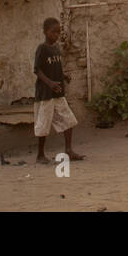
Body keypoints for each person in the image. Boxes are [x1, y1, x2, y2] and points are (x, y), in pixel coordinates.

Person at [33, 17, 84, 163]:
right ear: (45, 32)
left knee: (68, 120)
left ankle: (68, 150)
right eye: (52, 32)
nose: (55, 35)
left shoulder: (56, 49)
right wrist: (50, 83)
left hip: (58, 92)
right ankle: (40, 155)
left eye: (58, 32)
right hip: (45, 94)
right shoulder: (42, 49)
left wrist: (64, 76)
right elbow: (37, 70)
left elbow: (56, 67)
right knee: (43, 124)